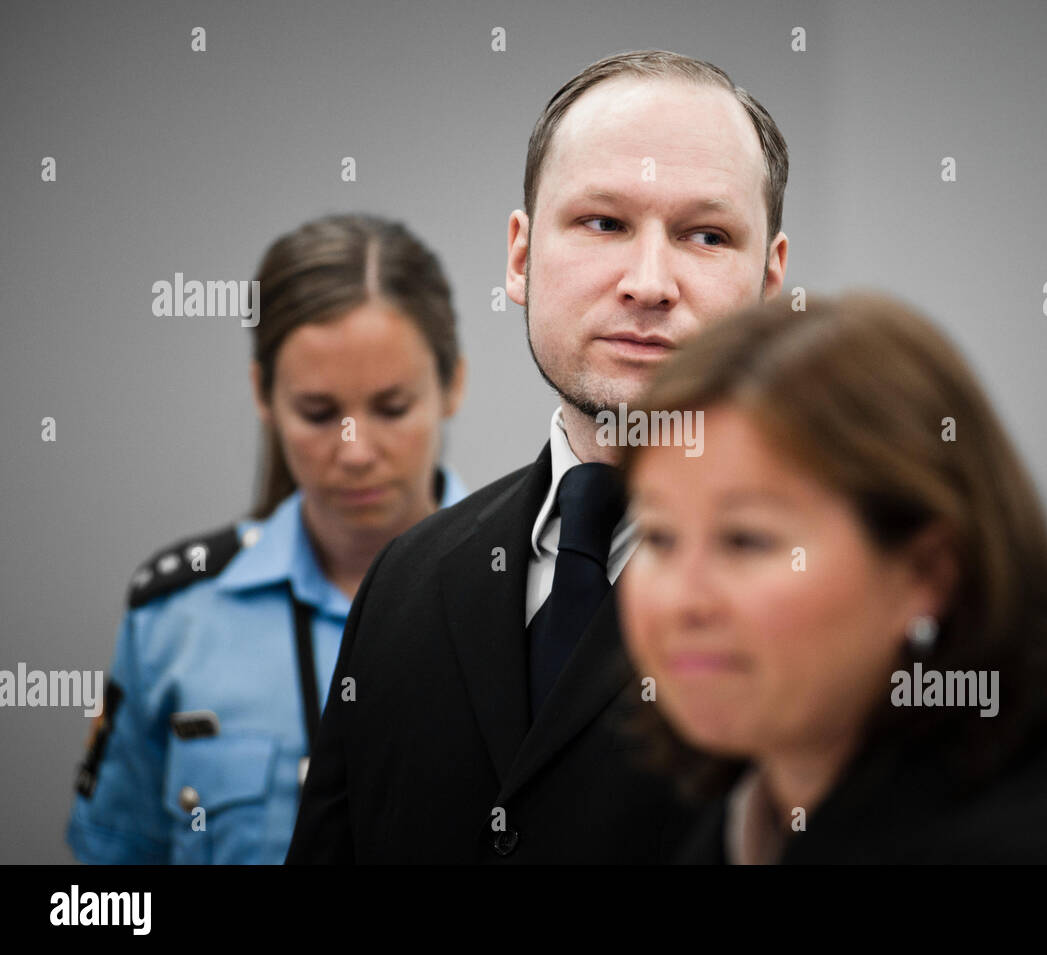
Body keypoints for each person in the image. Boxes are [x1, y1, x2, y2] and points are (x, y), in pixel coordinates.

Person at [287, 50, 790, 863]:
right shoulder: (407, 578)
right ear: (520, 258)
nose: (649, 283)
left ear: (769, 283)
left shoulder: (841, 595)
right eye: (604, 223)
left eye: (706, 235)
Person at [618, 292, 1047, 864]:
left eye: (746, 540)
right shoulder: (730, 814)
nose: (681, 601)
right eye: (658, 537)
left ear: (927, 574)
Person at [66, 214, 468, 864]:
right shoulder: (174, 617)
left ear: (453, 384)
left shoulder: (540, 592)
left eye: (392, 408)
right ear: (263, 393)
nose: (355, 451)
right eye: (318, 413)